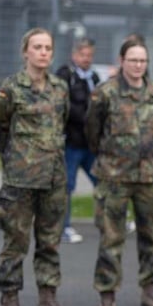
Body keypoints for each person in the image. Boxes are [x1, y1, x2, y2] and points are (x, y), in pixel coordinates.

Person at [0, 27, 70, 306]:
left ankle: (48, 298)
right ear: (25, 52)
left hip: (53, 178)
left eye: (47, 47)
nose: (43, 52)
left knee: (50, 241)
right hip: (20, 180)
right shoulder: (11, 88)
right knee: (16, 240)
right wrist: (15, 160)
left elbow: (62, 122)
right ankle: (10, 298)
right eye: (37, 47)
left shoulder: (60, 87)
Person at [85, 38, 153, 306]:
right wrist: (109, 156)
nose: (138, 65)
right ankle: (107, 293)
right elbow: (92, 131)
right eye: (133, 60)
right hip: (114, 176)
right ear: (122, 61)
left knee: (150, 235)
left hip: (148, 177)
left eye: (142, 60)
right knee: (111, 237)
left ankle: (151, 290)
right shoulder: (105, 93)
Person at [55, 37, 101, 244]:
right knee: (66, 186)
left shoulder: (94, 78)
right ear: (74, 55)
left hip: (90, 144)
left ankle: (110, 221)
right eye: (83, 55)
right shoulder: (66, 76)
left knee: (103, 181)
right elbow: (64, 105)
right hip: (71, 144)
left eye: (90, 55)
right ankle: (63, 227)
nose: (86, 59)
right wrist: (85, 116)